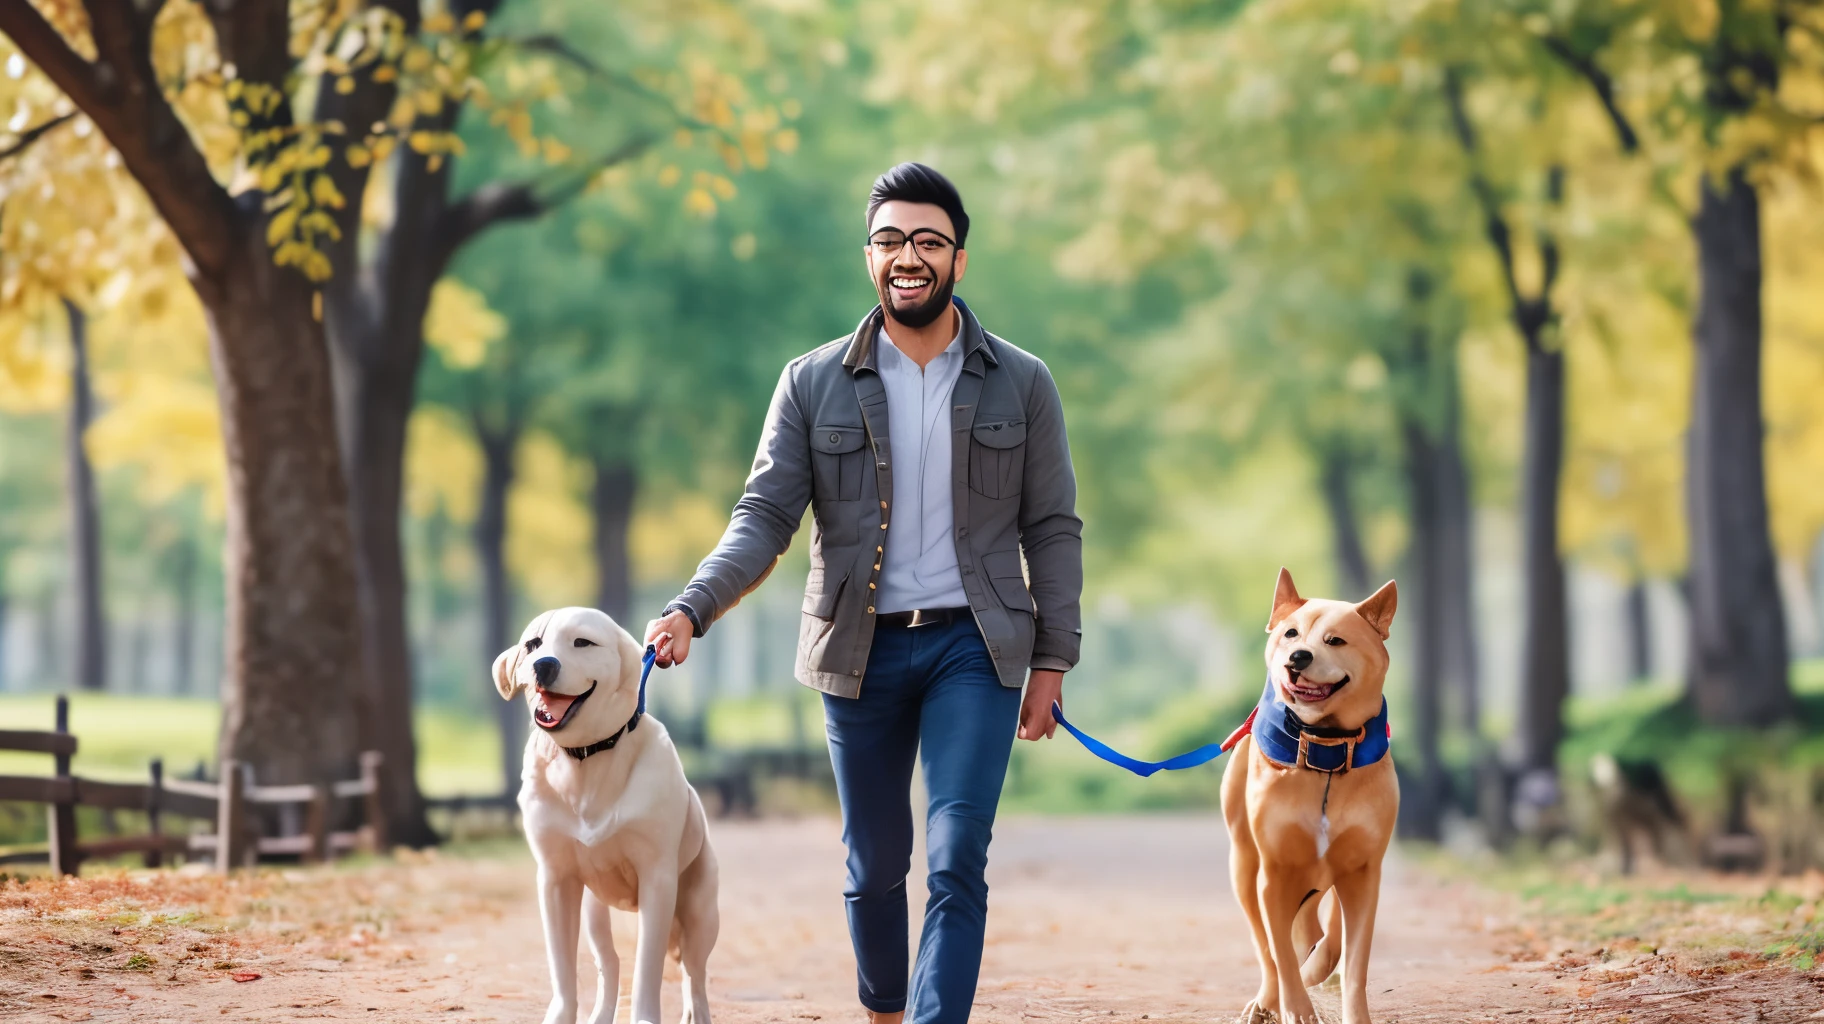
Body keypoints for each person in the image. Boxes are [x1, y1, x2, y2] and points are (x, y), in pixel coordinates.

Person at [645, 161, 1083, 1024]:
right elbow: (765, 515)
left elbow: (1053, 526)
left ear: (961, 259)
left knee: (957, 852)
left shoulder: (1022, 381)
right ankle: (886, 1008)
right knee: (875, 861)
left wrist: (1053, 660)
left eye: (928, 241)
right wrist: (692, 605)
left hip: (979, 644)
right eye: (890, 240)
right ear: (869, 257)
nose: (907, 256)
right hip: (858, 646)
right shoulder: (811, 382)